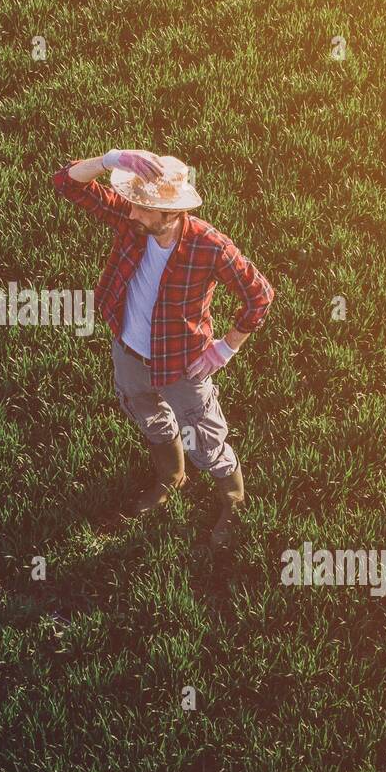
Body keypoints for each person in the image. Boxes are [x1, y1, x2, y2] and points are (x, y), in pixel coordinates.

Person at [52, 149, 275, 547]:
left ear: (169, 214)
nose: (132, 213)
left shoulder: (209, 246)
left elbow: (259, 296)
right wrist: (111, 159)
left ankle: (234, 500)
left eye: (143, 209)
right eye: (134, 205)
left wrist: (226, 348)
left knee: (205, 438)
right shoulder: (132, 220)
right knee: (145, 413)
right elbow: (67, 184)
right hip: (129, 349)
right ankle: (172, 476)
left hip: (182, 364)